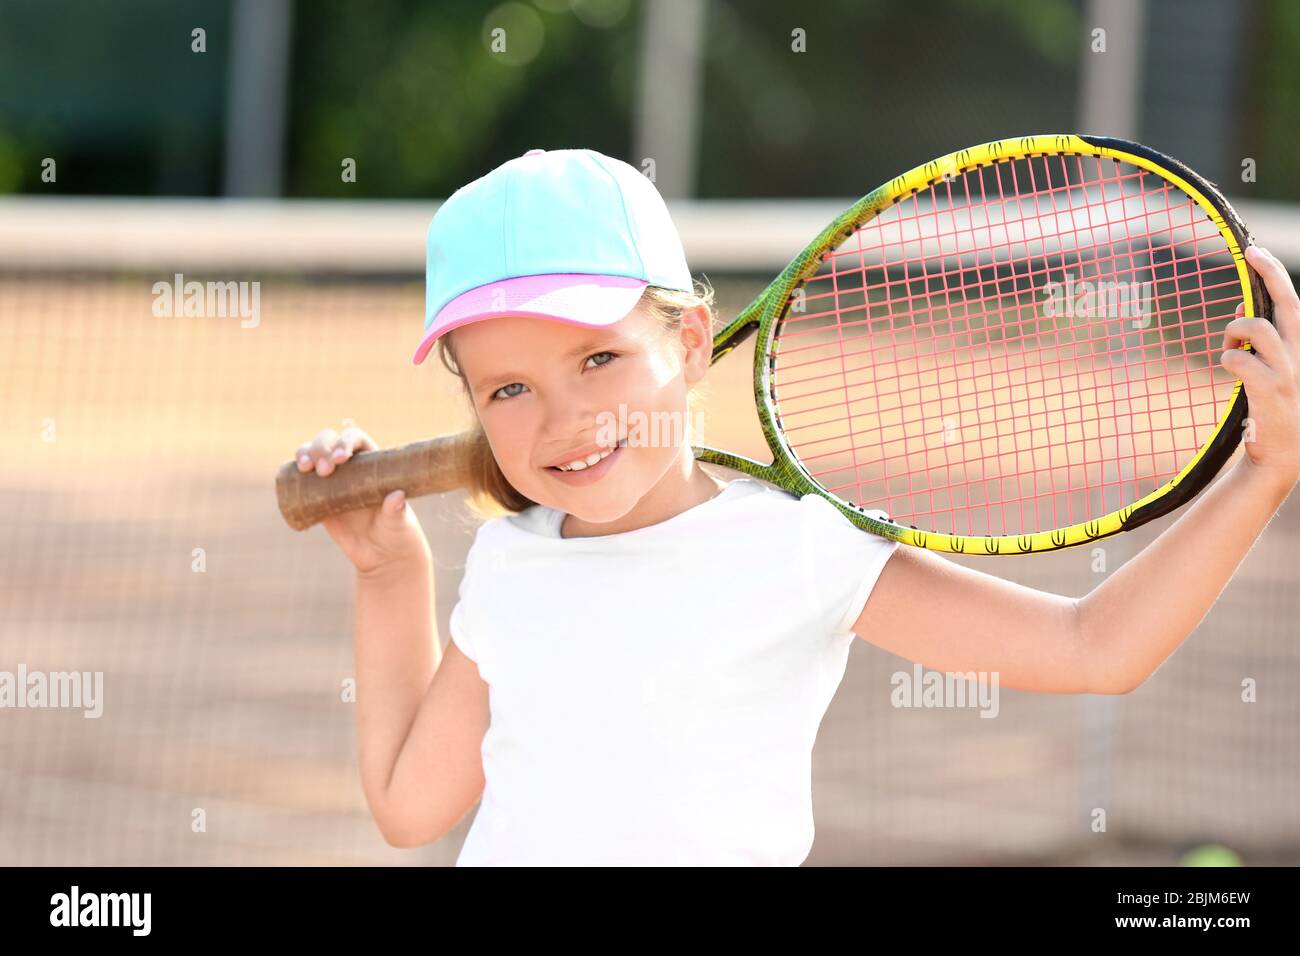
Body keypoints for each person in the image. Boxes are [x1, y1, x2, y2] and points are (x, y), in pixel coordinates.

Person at [294, 148, 1300, 865]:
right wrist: (390, 574)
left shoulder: (796, 548)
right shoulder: (513, 560)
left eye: (598, 357)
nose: (562, 417)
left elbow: (1093, 648)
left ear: (690, 344)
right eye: (506, 388)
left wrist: (1261, 475)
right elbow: (410, 804)